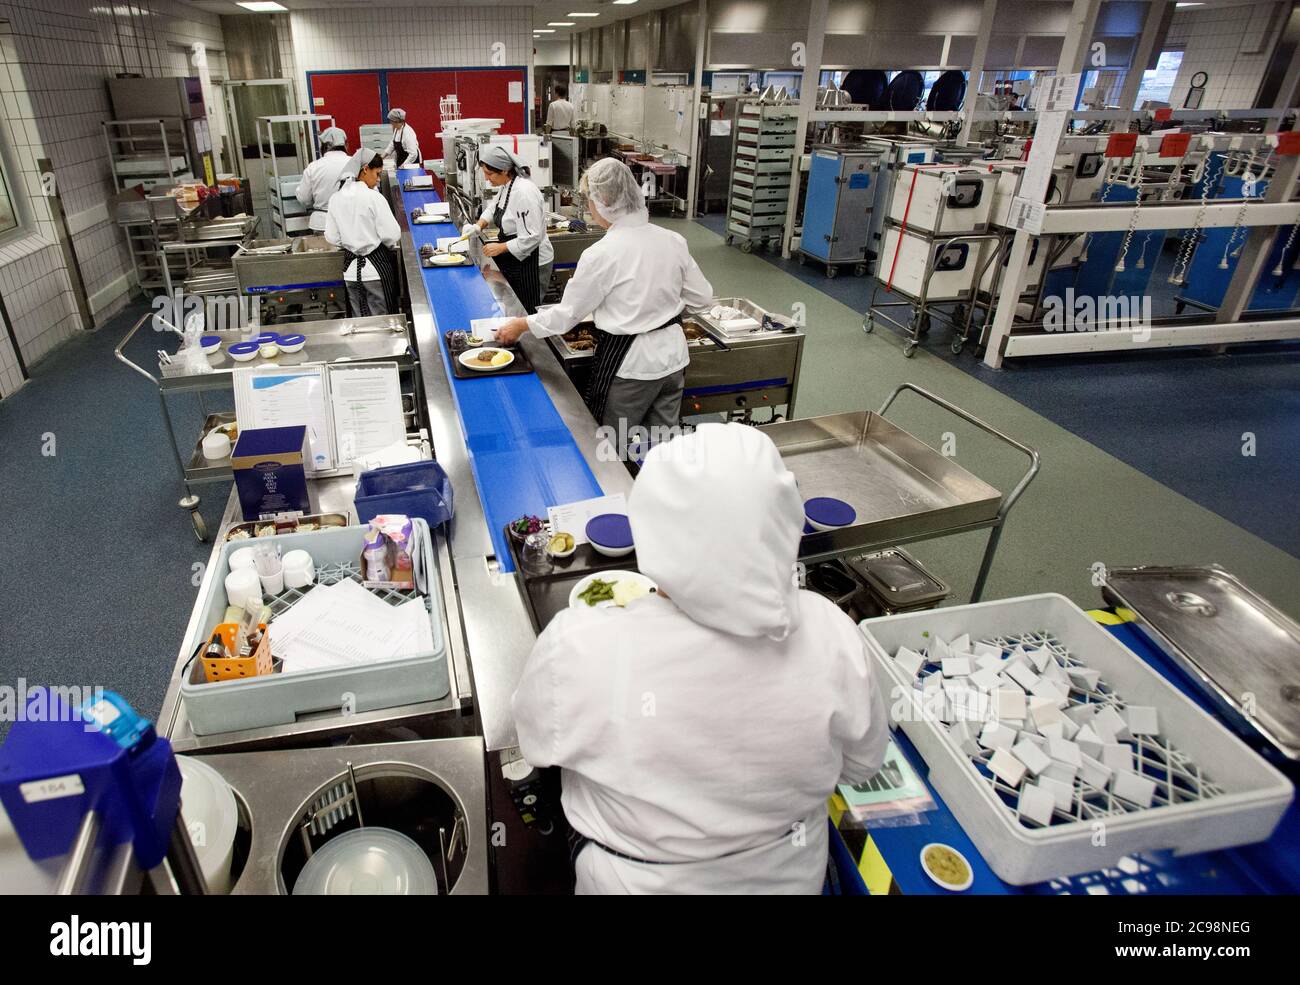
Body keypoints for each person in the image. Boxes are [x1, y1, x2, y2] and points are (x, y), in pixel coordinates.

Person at [511, 423, 890, 894]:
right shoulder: (834, 633)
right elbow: (861, 766)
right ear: (785, 519)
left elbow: (536, 744)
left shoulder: (581, 645)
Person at [493, 158, 711, 454]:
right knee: (661, 447)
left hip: (630, 366)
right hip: (673, 362)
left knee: (611, 448)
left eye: (588, 199)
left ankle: (617, 495)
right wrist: (658, 300)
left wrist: (521, 324)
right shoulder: (673, 240)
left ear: (605, 200)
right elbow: (703, 299)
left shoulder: (602, 253)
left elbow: (568, 315)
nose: (589, 207)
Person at [460, 144, 553, 313]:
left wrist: (500, 247)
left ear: (504, 170)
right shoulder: (507, 186)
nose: (487, 179)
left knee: (526, 312)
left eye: (489, 174)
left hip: (534, 262)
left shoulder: (524, 192)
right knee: (513, 309)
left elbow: (532, 237)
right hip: (519, 259)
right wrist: (477, 226)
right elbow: (493, 208)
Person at [324, 150, 401, 317]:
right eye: (377, 173)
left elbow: (331, 236)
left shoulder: (335, 199)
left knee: (360, 325)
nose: (379, 179)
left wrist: (349, 241)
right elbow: (392, 235)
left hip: (351, 272)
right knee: (382, 322)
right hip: (375, 270)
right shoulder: (373, 197)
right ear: (365, 169)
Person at [295, 126, 350, 233]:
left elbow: (304, 199)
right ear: (346, 145)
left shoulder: (313, 167)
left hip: (323, 224)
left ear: (323, 146)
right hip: (351, 221)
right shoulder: (355, 164)